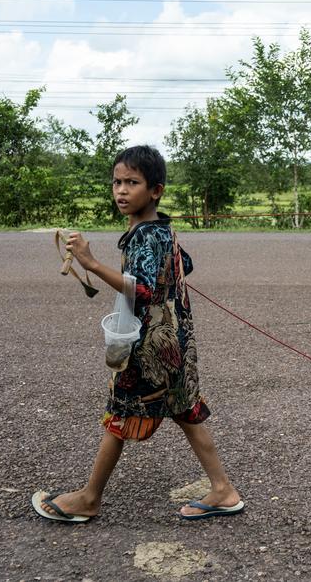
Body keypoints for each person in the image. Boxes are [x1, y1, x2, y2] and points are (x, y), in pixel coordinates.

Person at [32, 145, 243, 522]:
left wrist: (90, 262)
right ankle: (223, 490)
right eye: (117, 182)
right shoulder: (159, 227)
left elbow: (142, 290)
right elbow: (184, 263)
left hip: (150, 346)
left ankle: (89, 499)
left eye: (133, 182)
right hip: (176, 339)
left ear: (155, 189)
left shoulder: (145, 235)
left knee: (121, 412)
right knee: (185, 410)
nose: (121, 191)